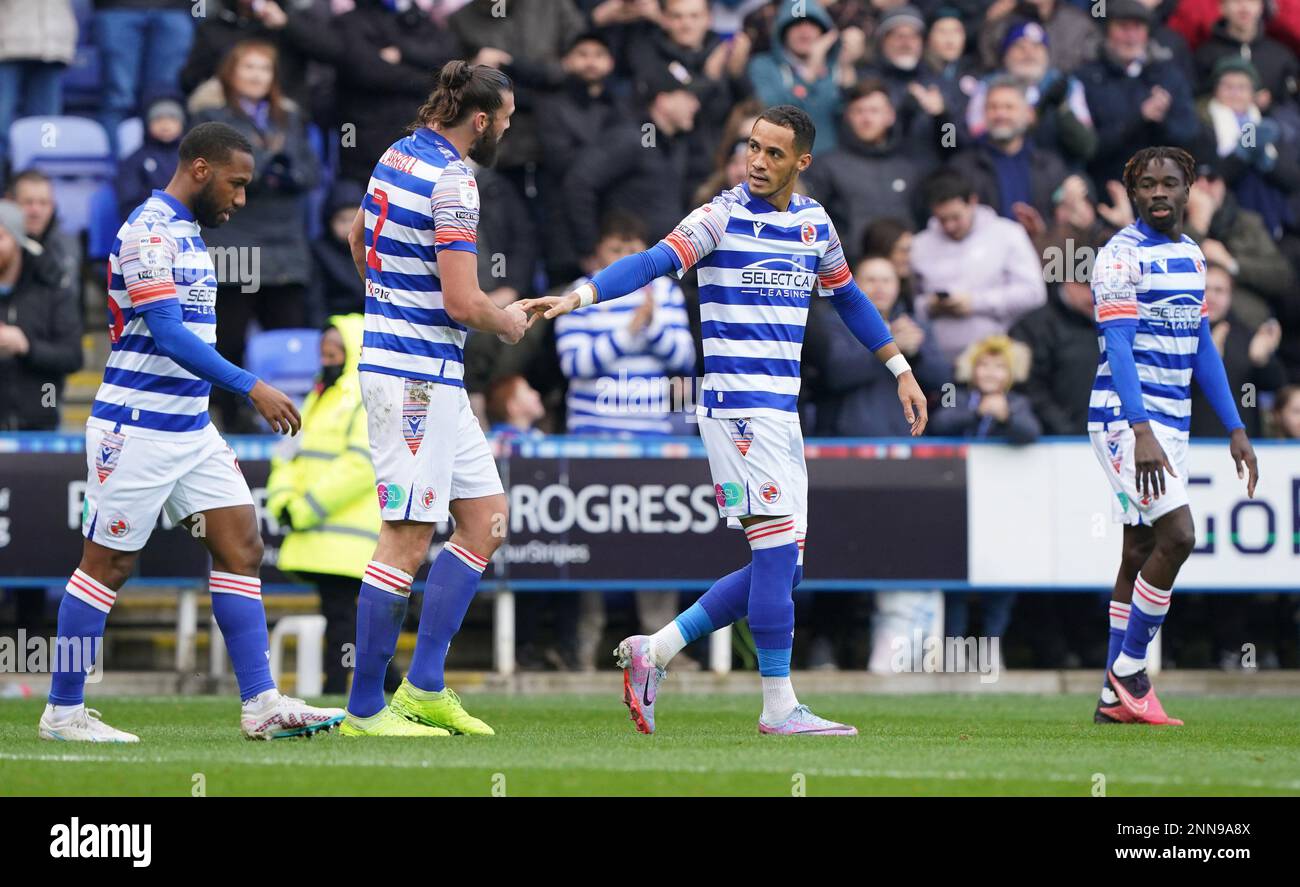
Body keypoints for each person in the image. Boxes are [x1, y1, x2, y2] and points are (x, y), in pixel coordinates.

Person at [520, 105, 928, 736]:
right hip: (739, 412)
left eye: (773, 153)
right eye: (752, 148)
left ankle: (653, 651)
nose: (758, 162)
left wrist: (899, 366)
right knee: (772, 558)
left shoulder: (814, 224)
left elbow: (846, 295)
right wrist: (579, 296)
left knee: (785, 567)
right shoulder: (719, 214)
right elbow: (654, 262)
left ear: (802, 162)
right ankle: (778, 707)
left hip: (781, 413)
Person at [41, 122, 341, 742]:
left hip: (190, 428)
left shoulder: (189, 235)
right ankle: (62, 712)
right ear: (200, 170)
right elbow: (168, 333)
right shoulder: (150, 230)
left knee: (241, 546)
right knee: (108, 565)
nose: (241, 197)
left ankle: (260, 705)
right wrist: (250, 385)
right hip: (138, 427)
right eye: (236, 183)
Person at [339, 61, 529, 738]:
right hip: (414, 377)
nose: (507, 126)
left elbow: (356, 237)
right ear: (481, 120)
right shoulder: (456, 182)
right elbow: (460, 300)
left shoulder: (396, 151)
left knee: (484, 521)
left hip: (421, 368)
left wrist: (387, 299)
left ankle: (422, 686)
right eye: (504, 116)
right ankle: (364, 707)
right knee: (406, 537)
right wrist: (504, 319)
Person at [1087, 145, 1258, 726]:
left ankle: (1114, 702)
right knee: (1179, 536)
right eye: (1147, 186)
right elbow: (1117, 347)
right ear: (1132, 194)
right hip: (1125, 418)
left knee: (1138, 550)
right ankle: (1131, 670)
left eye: (1170, 184)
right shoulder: (1118, 256)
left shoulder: (1191, 255)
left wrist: (1235, 425)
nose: (1158, 193)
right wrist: (1140, 430)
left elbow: (1202, 345)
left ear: (1190, 191)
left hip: (1172, 420)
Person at [190, 39, 321, 432]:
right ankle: (228, 418)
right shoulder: (213, 117)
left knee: (288, 337)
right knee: (229, 336)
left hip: (286, 244)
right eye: (248, 68)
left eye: (264, 69)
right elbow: (221, 173)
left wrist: (280, 173)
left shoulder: (290, 118)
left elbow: (309, 172)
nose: (256, 76)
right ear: (231, 72)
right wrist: (269, 170)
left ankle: (291, 423)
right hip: (236, 240)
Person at [265, 315, 397, 696]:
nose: (327, 358)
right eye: (324, 352)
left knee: (344, 618)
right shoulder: (319, 396)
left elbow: (360, 464)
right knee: (345, 617)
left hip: (346, 536)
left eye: (336, 351)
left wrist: (305, 507)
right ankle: (379, 684)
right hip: (323, 537)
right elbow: (289, 454)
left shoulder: (360, 397)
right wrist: (285, 501)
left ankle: (340, 690)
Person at [910, 169, 1047, 365]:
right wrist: (930, 305)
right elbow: (910, 301)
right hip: (934, 363)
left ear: (972, 202)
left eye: (955, 217)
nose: (949, 226)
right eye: (942, 219)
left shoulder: (1008, 234)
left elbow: (1034, 293)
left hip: (994, 361)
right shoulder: (920, 244)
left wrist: (974, 303)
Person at [800, 80, 929, 264]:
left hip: (905, 273)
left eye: (874, 111)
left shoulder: (910, 168)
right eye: (859, 111)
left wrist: (945, 121)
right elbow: (809, 225)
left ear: (890, 116)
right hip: (846, 273)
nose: (867, 119)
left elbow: (924, 223)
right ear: (847, 117)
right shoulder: (825, 165)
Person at [1076, 0, 1200, 187]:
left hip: (1163, 187)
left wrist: (1161, 119)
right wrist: (1139, 118)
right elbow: (1088, 147)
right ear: (1107, 31)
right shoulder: (1087, 79)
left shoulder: (1168, 75)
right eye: (1123, 27)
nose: (1131, 36)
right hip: (1108, 184)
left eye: (1138, 28)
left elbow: (1190, 135)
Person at [0, 199, 82, 431]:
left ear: (17, 240)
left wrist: (26, 347)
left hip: (41, 428)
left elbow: (72, 356)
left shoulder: (51, 289)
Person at [948, 76, 1069, 223]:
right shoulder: (963, 168)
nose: (1000, 114)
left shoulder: (1050, 166)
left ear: (1028, 114)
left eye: (1009, 107)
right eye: (993, 107)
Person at [1189, 261, 1288, 438]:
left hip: (1243, 441)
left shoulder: (1248, 336)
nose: (1211, 296)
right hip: (1193, 440)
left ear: (1230, 296)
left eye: (1219, 290)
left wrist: (1261, 362)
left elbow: (1274, 385)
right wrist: (1206, 361)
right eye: (1205, 289)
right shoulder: (1181, 335)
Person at [94, 0, 196, 156]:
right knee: (118, 96)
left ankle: (164, 170)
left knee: (165, 99)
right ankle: (116, 171)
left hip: (175, 8)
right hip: (118, 7)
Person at [0, 0, 76, 185]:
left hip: (54, 41)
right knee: (2, 124)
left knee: (46, 133)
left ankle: (40, 192)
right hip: (8, 37)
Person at [6, 169, 81, 308]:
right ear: (11, 203)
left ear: (53, 206)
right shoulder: (3, 244)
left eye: (43, 203)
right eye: (28, 202)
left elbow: (70, 303)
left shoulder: (66, 246)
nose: (36, 211)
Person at [116, 94, 186, 222]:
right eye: (158, 119)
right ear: (148, 124)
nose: (165, 124)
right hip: (147, 227)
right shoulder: (134, 160)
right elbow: (128, 203)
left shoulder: (191, 157)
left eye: (172, 119)